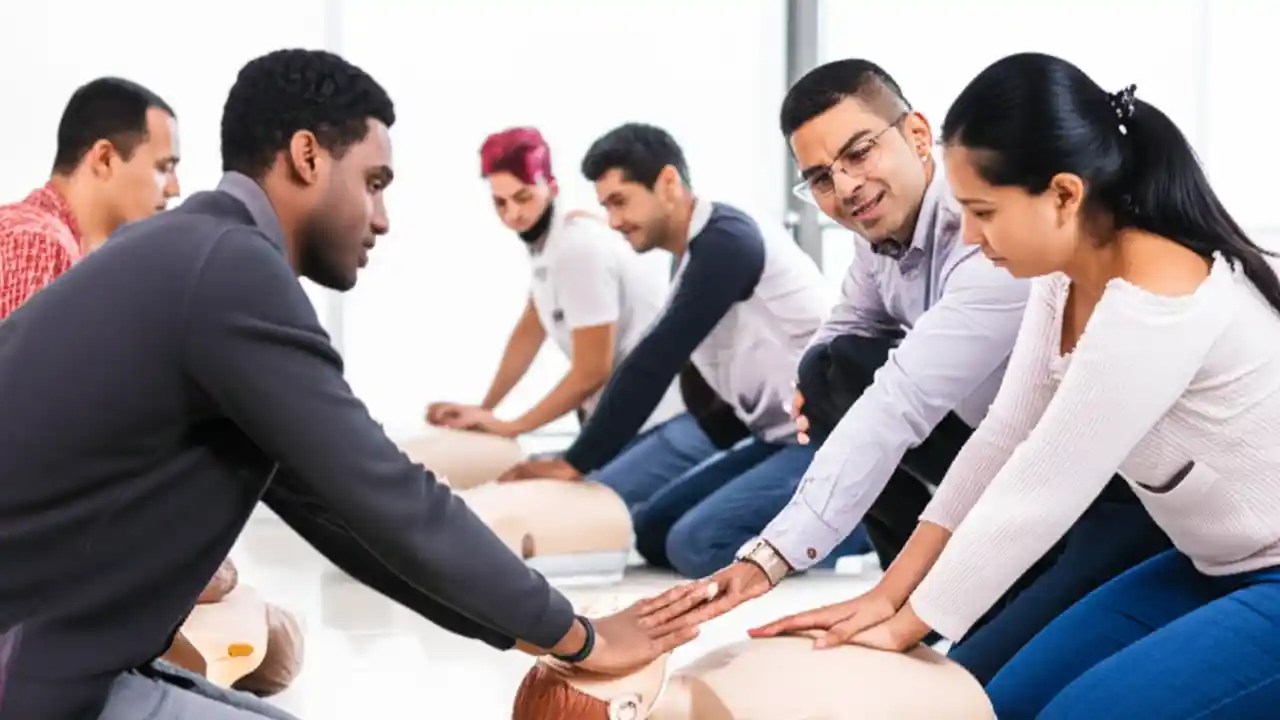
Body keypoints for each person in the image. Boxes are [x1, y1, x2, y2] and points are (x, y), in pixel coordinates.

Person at [0, 49, 700, 720]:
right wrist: (580, 635)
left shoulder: (181, 251)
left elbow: (341, 516)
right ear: (307, 157)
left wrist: (541, 632)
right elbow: (386, 496)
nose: (383, 218)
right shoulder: (229, 269)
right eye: (373, 183)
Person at [755, 52, 1280, 718]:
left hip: (1270, 569)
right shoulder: (1058, 272)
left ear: (1064, 194)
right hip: (1209, 563)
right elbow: (1004, 434)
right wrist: (890, 595)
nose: (969, 235)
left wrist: (913, 620)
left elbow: (1044, 483)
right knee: (988, 701)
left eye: (983, 211)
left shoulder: (1155, 298)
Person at [650, 58, 1170, 686]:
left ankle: (988, 594)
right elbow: (999, 437)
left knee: (991, 688)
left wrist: (775, 555)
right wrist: (900, 599)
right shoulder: (974, 261)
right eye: (820, 177)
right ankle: (940, 589)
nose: (844, 187)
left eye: (859, 153)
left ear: (919, 137)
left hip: (1113, 501)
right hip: (1028, 470)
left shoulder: (1017, 263)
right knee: (829, 370)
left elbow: (907, 403)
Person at [500, 122, 870, 578]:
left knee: (698, 545)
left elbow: (656, 358)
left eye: (620, 201)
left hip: (833, 439)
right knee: (652, 532)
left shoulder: (728, 239)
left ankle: (870, 521)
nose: (613, 221)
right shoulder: (689, 257)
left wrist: (574, 462)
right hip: (780, 438)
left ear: (669, 183)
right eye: (605, 206)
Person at [425, 126, 685, 444]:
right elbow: (530, 330)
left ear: (552, 187)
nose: (514, 214)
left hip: (652, 424)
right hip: (623, 421)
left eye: (523, 197)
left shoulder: (576, 248)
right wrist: (485, 409)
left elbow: (592, 371)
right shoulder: (548, 247)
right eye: (500, 203)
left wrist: (512, 426)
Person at [0, 76, 181, 320]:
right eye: (163, 167)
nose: (174, 189)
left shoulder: (68, 254)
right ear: (104, 159)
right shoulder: (38, 244)